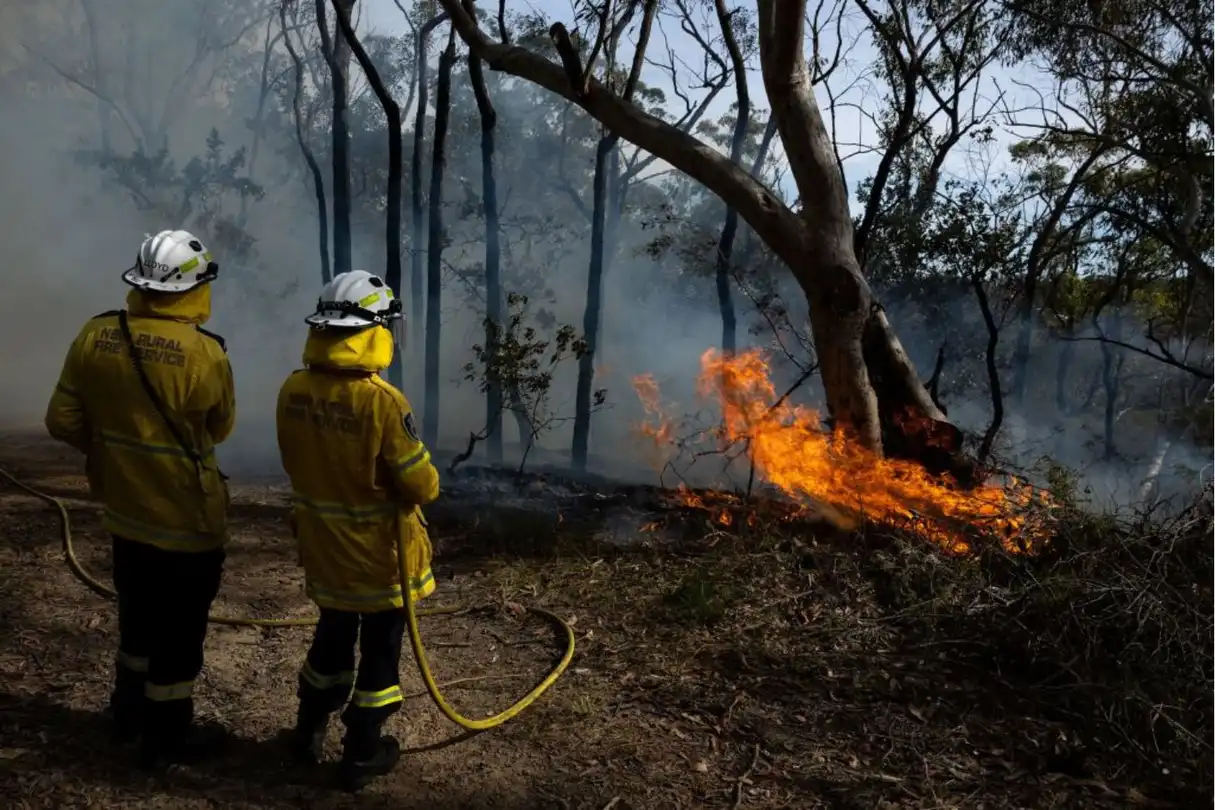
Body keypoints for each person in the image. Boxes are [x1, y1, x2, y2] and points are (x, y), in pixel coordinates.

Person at [44, 229, 236, 769]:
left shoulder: (95, 334)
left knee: (137, 623)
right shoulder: (207, 355)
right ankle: (166, 739)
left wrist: (109, 450)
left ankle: (126, 717)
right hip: (188, 524)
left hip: (125, 515)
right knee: (179, 637)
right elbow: (218, 429)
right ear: (195, 289)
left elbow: (61, 420)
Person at [275, 270, 440, 792]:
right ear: (375, 330)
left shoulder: (293, 389)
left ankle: (307, 731)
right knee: (381, 650)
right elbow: (421, 485)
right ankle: (363, 750)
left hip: (323, 548)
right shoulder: (383, 401)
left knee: (331, 636)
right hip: (378, 557)